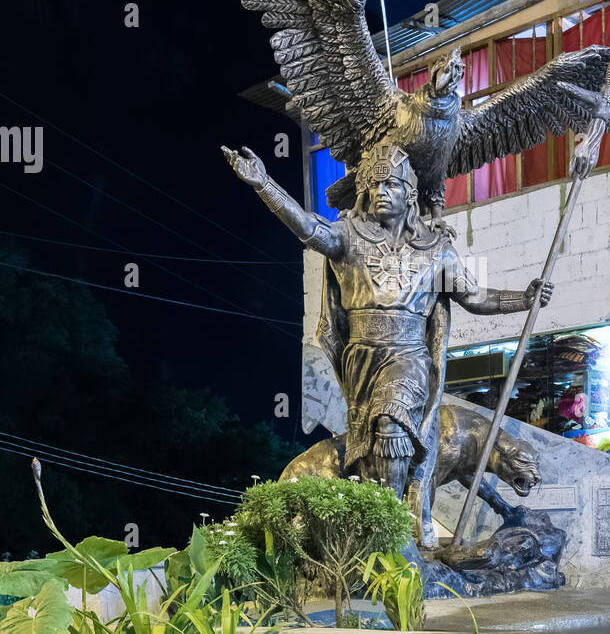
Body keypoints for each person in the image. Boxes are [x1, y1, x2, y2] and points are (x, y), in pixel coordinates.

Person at [222, 140, 553, 509]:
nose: (381, 192)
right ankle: (381, 528)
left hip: (409, 356)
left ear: (410, 194)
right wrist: (264, 184)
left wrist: (523, 299)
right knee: (369, 446)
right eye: (374, 186)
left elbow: (475, 297)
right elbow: (307, 227)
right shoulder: (349, 237)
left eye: (391, 185)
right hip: (361, 360)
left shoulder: (436, 249)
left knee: (391, 422)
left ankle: (393, 533)